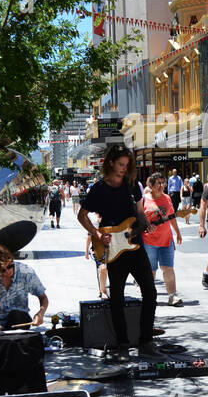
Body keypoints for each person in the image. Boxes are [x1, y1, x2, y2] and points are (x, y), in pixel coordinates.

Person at [77, 144, 162, 355]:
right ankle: (123, 344)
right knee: (117, 297)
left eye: (127, 165)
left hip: (135, 244)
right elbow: (82, 215)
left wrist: (146, 224)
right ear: (111, 163)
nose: (124, 168)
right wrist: (96, 235)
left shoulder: (132, 184)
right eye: (121, 164)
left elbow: (140, 213)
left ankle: (146, 342)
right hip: (113, 248)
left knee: (150, 292)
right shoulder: (99, 188)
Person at [0, 243, 48, 331]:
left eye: (10, 266)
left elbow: (43, 297)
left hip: (19, 320)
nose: (8, 271)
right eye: (2, 270)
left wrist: (40, 314)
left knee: (18, 316)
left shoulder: (26, 272)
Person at [142, 172, 184, 306]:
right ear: (151, 185)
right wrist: (147, 226)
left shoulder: (167, 198)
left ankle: (172, 296)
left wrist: (177, 232)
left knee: (168, 268)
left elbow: (171, 216)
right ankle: (149, 297)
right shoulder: (144, 200)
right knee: (151, 270)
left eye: (163, 183)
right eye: (158, 183)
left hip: (166, 240)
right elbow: (138, 219)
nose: (161, 186)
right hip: (149, 242)